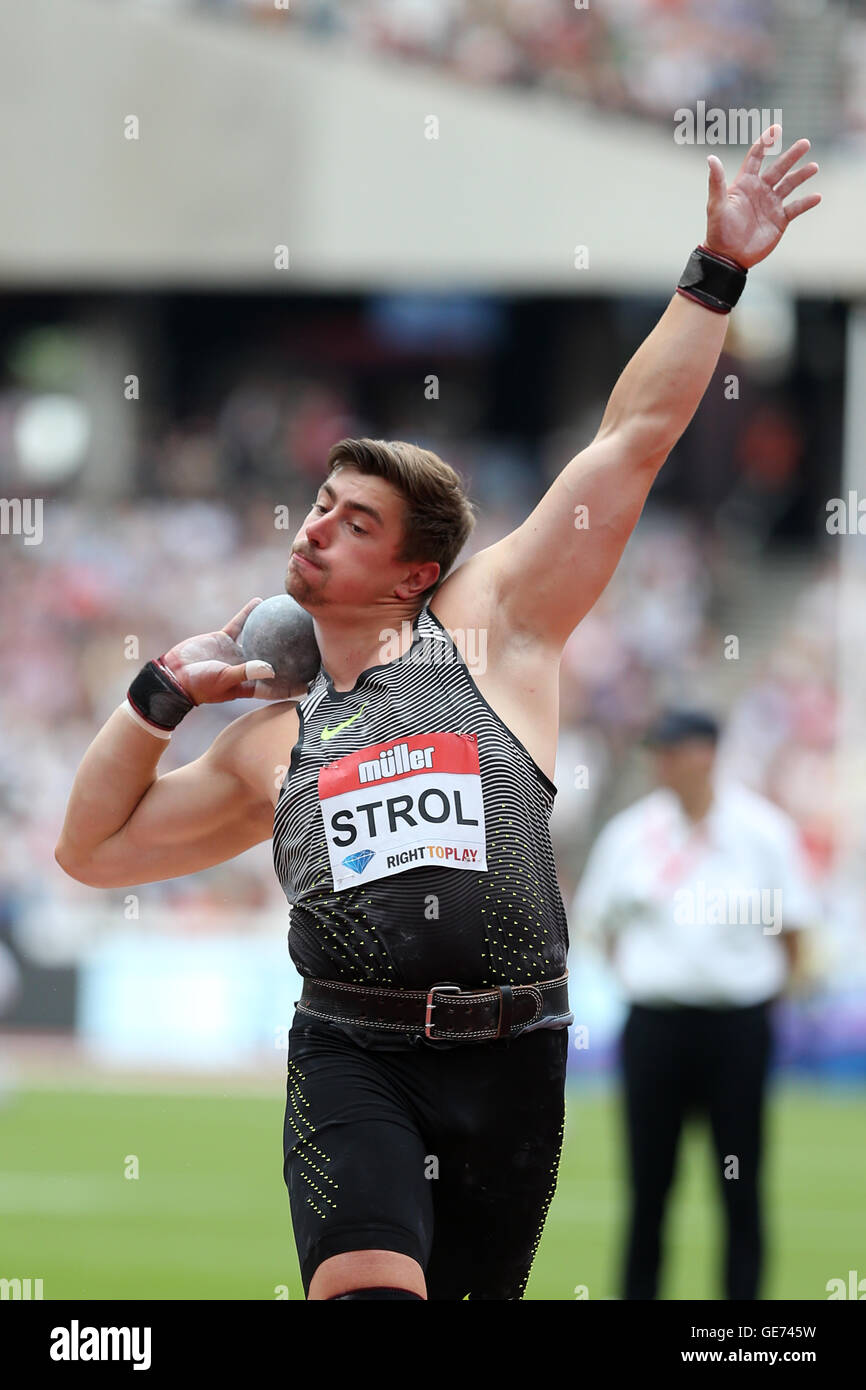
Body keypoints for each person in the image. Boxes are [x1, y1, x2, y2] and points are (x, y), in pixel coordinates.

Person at [55, 128, 820, 1300]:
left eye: (355, 521)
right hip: (353, 1053)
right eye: (318, 505)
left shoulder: (493, 636)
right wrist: (158, 697)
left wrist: (715, 270)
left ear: (416, 573)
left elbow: (629, 442)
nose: (314, 526)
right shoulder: (277, 741)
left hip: (516, 1056)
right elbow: (91, 848)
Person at [572, 708, 818, 1300]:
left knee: (740, 1183)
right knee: (649, 1185)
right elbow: (599, 924)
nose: (660, 762)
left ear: (705, 753)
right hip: (655, 1026)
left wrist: (762, 1001)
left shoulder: (763, 833)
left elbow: (796, 935)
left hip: (737, 1027)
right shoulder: (631, 835)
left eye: (671, 750)